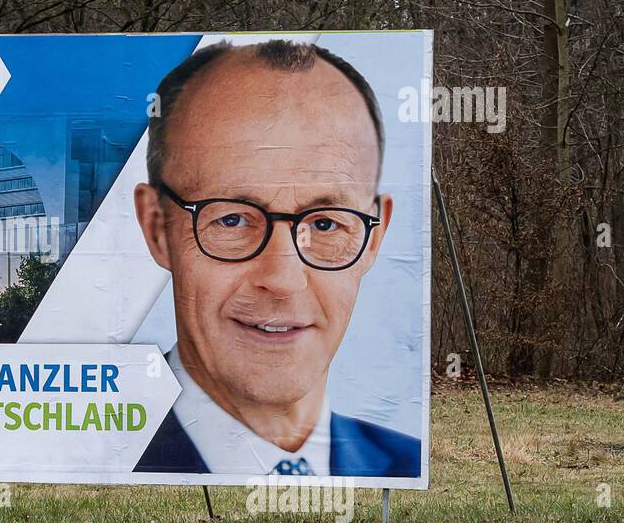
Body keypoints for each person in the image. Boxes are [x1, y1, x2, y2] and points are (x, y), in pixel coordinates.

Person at [132, 40, 420, 478]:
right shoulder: (99, 455)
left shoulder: (403, 462)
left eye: (325, 224)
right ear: (157, 227)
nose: (284, 279)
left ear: (374, 237)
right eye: (231, 219)